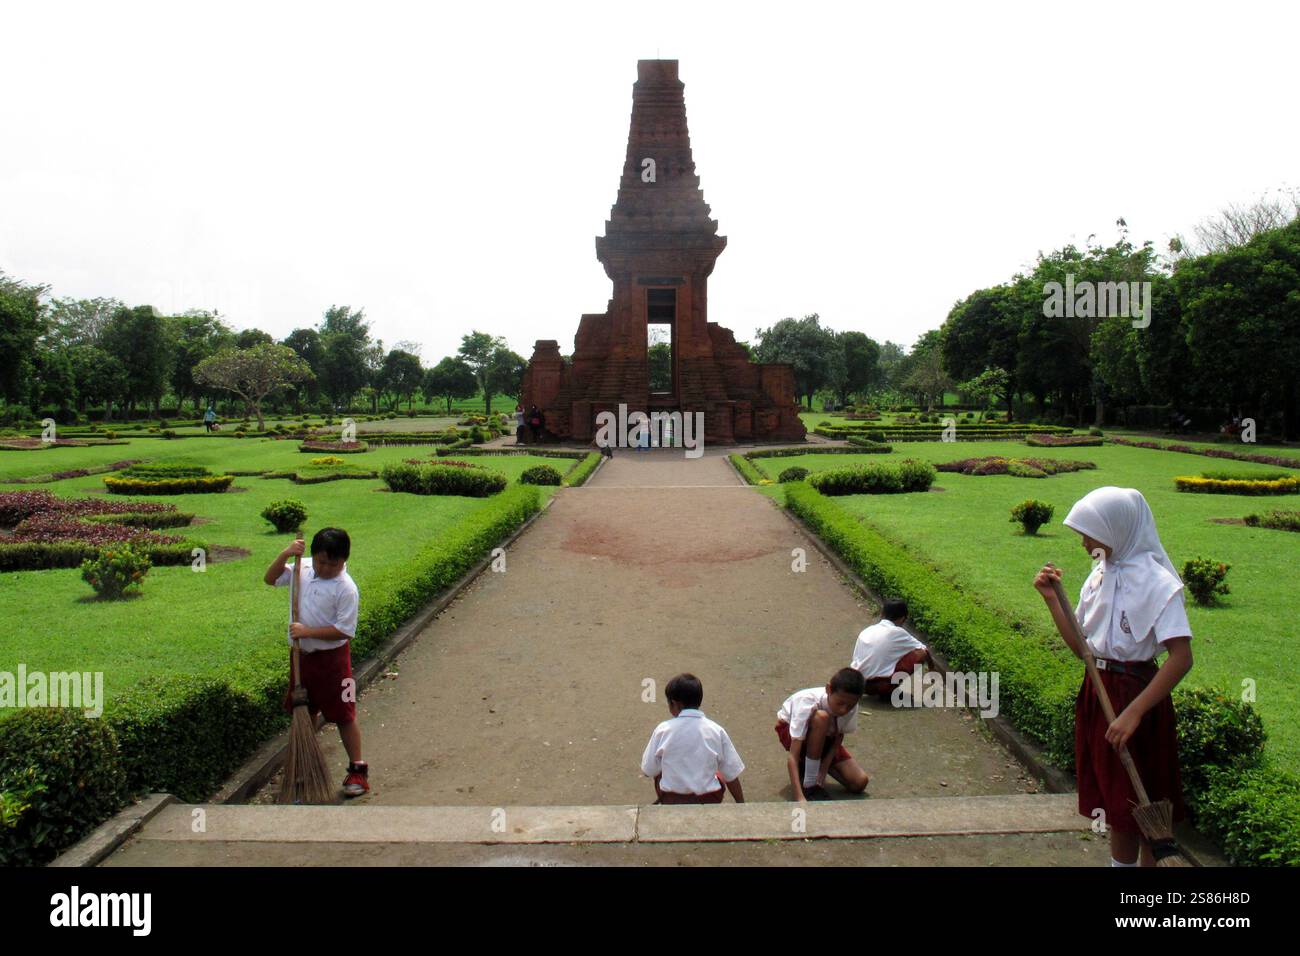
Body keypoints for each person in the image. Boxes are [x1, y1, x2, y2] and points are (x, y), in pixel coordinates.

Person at [1033, 486, 1193, 868]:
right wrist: (1054, 601)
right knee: (1114, 799)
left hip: (1136, 694)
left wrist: (1135, 712)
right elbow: (1085, 652)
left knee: (1143, 799)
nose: (1084, 542)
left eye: (1090, 533)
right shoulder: (1099, 576)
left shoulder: (1158, 584)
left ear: (1118, 529)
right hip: (1098, 691)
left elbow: (1182, 658)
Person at [264, 527, 370, 798]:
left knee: (344, 713)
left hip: (334, 661)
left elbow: (345, 630)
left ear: (344, 560)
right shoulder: (302, 568)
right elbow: (270, 579)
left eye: (332, 564)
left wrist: (307, 632)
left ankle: (357, 770)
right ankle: (304, 767)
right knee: (304, 709)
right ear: (313, 555)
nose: (324, 568)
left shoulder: (346, 588)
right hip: (301, 657)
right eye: (321, 561)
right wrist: (286, 553)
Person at [640, 673, 745, 805]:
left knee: (660, 768)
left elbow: (648, 770)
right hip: (709, 799)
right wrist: (741, 803)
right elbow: (731, 774)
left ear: (673, 703)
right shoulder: (716, 730)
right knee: (719, 771)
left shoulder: (663, 730)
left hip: (672, 799)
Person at [775, 668, 869, 801]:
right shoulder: (807, 702)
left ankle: (812, 767)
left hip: (827, 738)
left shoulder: (851, 705)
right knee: (822, 718)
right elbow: (793, 755)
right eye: (840, 703)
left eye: (850, 706)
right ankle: (809, 785)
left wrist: (823, 770)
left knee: (859, 782)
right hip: (791, 733)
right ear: (828, 689)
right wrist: (799, 797)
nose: (844, 710)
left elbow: (838, 736)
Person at [850, 599, 932, 698]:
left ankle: (884, 687)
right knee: (921, 654)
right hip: (878, 685)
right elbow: (924, 650)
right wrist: (932, 669)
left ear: (882, 614)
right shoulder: (897, 632)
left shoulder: (868, 630)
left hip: (857, 682)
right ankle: (889, 690)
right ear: (902, 618)